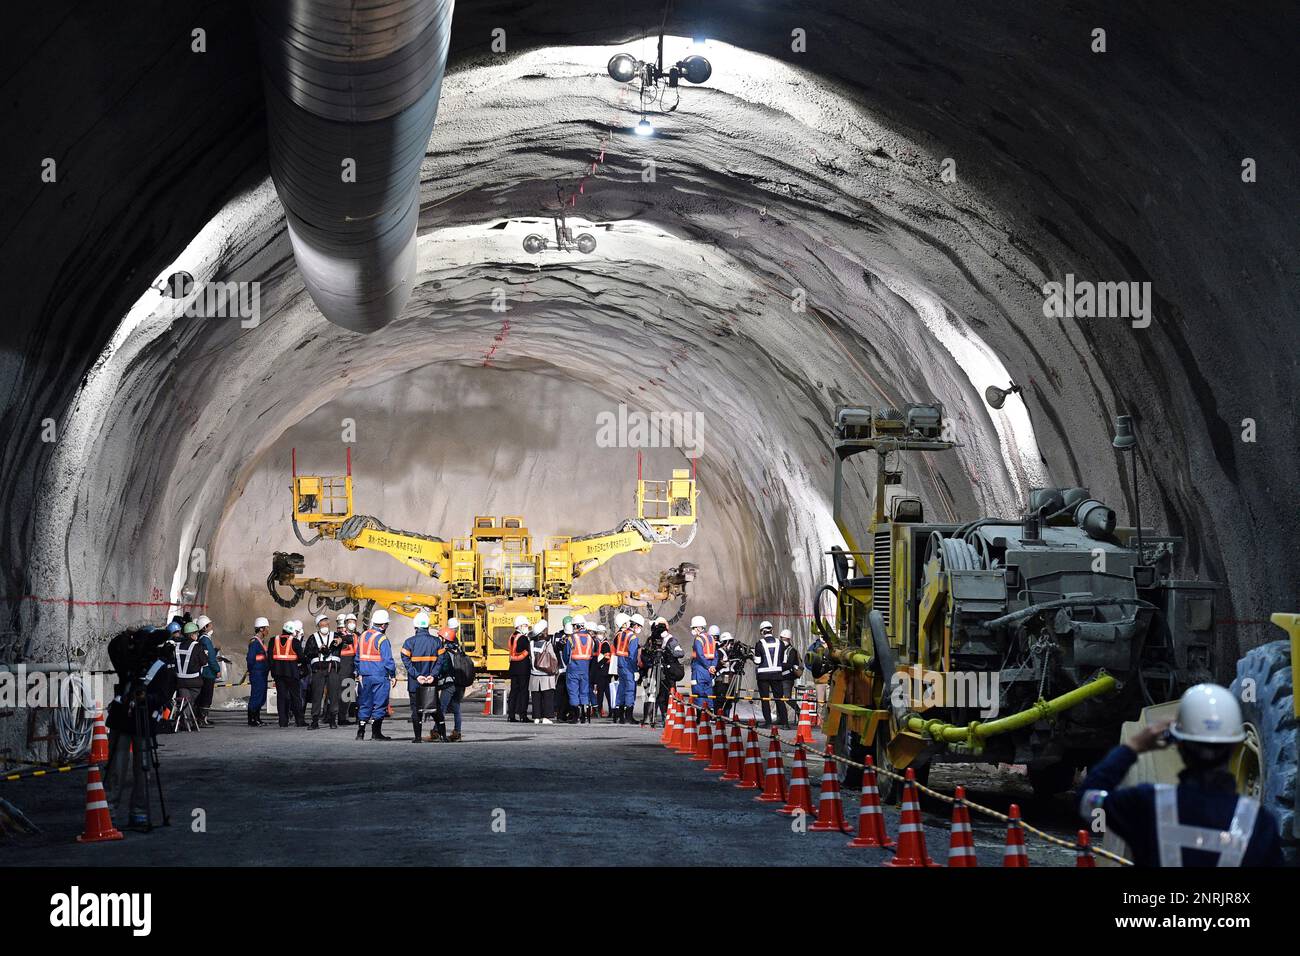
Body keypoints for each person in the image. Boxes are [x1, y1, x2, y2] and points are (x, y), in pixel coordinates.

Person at [1078, 683, 1283, 866]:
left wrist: (1133, 747)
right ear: (1236, 745)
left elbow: (1087, 800)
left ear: (1179, 745)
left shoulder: (1147, 804)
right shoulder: (1259, 823)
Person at [401, 611, 447, 743]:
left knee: (416, 710)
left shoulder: (409, 642)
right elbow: (441, 660)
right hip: (431, 682)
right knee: (435, 709)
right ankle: (443, 736)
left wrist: (417, 675)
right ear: (428, 626)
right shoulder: (437, 642)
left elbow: (406, 660)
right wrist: (433, 675)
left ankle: (417, 738)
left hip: (415, 683)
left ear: (415, 627)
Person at [355, 609, 397, 740]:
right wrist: (393, 674)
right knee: (379, 703)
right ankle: (376, 733)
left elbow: (357, 657)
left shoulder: (362, 636)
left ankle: (360, 733)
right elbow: (388, 660)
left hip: (364, 676)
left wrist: (358, 671)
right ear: (383, 625)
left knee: (365, 703)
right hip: (379, 676)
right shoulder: (382, 639)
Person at [303, 614, 343, 729]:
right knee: (317, 695)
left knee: (333, 695)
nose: (325, 624)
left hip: (333, 669)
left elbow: (350, 639)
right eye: (322, 622)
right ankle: (315, 720)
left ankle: (332, 720)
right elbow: (307, 652)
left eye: (326, 622)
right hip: (319, 670)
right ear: (318, 625)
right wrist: (318, 650)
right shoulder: (313, 637)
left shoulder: (336, 635)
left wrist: (342, 640)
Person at [270, 622, 307, 728]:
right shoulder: (295, 642)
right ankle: (299, 721)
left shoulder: (273, 640)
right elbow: (301, 657)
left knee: (281, 697)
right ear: (292, 631)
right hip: (292, 674)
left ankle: (283, 721)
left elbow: (270, 657)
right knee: (296, 697)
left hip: (278, 674)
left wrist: (273, 671)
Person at [172, 621, 208, 729]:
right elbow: (204, 662)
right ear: (192, 634)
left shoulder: (177, 646)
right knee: (189, 701)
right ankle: (187, 721)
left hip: (180, 681)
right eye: (196, 633)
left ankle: (184, 720)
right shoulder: (197, 646)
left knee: (185, 700)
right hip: (194, 681)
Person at [752, 621, 787, 729]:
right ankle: (785, 722)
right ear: (772, 630)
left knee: (765, 699)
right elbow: (783, 660)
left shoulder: (759, 643)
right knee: (779, 698)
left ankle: (768, 722)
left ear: (762, 631)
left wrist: (752, 656)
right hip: (777, 674)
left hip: (763, 676)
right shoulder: (780, 643)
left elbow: (757, 661)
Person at [611, 612, 640, 723]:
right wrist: (635, 670)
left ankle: (619, 715)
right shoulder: (632, 637)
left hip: (620, 665)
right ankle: (629, 716)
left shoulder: (620, 634)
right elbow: (632, 656)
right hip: (629, 667)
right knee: (630, 690)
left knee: (621, 689)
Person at [438, 625, 465, 742]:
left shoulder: (445, 652)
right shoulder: (458, 650)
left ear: (445, 639)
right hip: (459, 683)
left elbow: (443, 669)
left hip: (449, 684)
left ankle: (436, 731)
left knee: (441, 708)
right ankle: (457, 732)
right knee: (456, 708)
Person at [529, 620, 558, 724]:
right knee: (547, 696)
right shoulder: (547, 644)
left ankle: (536, 717)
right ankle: (546, 717)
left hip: (534, 674)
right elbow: (553, 658)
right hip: (546, 675)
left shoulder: (531, 644)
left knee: (536, 697)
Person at [194, 615, 220, 727]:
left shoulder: (202, 639)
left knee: (204, 695)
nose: (211, 626)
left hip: (204, 671)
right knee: (207, 696)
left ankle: (203, 718)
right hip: (208, 672)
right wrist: (217, 669)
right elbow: (210, 658)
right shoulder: (205, 640)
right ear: (205, 627)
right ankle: (202, 719)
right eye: (209, 625)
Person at [567, 621, 594, 723]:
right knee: (584, 691)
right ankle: (585, 716)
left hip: (573, 668)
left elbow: (566, 654)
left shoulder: (571, 638)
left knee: (573, 691)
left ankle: (576, 716)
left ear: (576, 626)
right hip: (585, 668)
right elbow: (592, 652)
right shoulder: (590, 638)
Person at [245, 617, 271, 726]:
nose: (268, 630)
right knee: (256, 696)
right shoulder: (255, 642)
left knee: (261, 696)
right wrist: (253, 671)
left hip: (262, 673)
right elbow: (250, 659)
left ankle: (257, 718)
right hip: (257, 673)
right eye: (266, 628)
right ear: (261, 629)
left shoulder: (261, 642)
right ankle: (252, 719)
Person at [507, 615, 533, 723]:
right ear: (520, 626)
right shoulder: (523, 638)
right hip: (523, 668)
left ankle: (511, 715)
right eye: (526, 625)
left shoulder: (512, 636)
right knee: (523, 692)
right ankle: (523, 715)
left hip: (513, 667)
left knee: (513, 692)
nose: (527, 627)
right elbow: (528, 651)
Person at [689, 616, 718, 711]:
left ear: (698, 628)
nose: (692, 630)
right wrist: (712, 666)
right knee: (708, 693)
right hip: (709, 672)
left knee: (698, 693)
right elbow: (716, 655)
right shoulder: (711, 638)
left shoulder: (699, 639)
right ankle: (709, 716)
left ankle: (700, 718)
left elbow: (700, 655)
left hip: (699, 670)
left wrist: (708, 666)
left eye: (693, 628)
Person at [336, 612, 358, 725]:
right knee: (343, 693)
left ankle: (345, 716)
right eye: (349, 622)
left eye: (353, 622)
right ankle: (341, 718)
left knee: (349, 694)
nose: (352, 624)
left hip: (352, 666)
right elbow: (342, 640)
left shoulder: (355, 636)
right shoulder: (340, 636)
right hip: (343, 667)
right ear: (345, 623)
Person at [779, 628, 803, 719]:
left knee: (786, 697)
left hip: (787, 678)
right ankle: (779, 718)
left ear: (788, 639)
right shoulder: (780, 649)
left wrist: (779, 666)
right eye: (782, 638)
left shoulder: (791, 650)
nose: (782, 640)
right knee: (779, 698)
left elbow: (790, 664)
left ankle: (798, 710)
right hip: (780, 677)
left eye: (784, 639)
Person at [593, 624, 614, 718]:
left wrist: (598, 665)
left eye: (601, 633)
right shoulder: (601, 643)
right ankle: (610, 710)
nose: (599, 635)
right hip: (605, 671)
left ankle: (602, 710)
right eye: (598, 633)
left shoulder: (605, 644)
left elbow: (606, 657)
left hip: (603, 671)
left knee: (602, 693)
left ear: (604, 634)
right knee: (605, 692)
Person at [554, 617, 572, 723]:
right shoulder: (572, 638)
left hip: (560, 669)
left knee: (560, 694)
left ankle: (560, 714)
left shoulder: (557, 637)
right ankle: (568, 713)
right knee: (569, 693)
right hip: (568, 669)